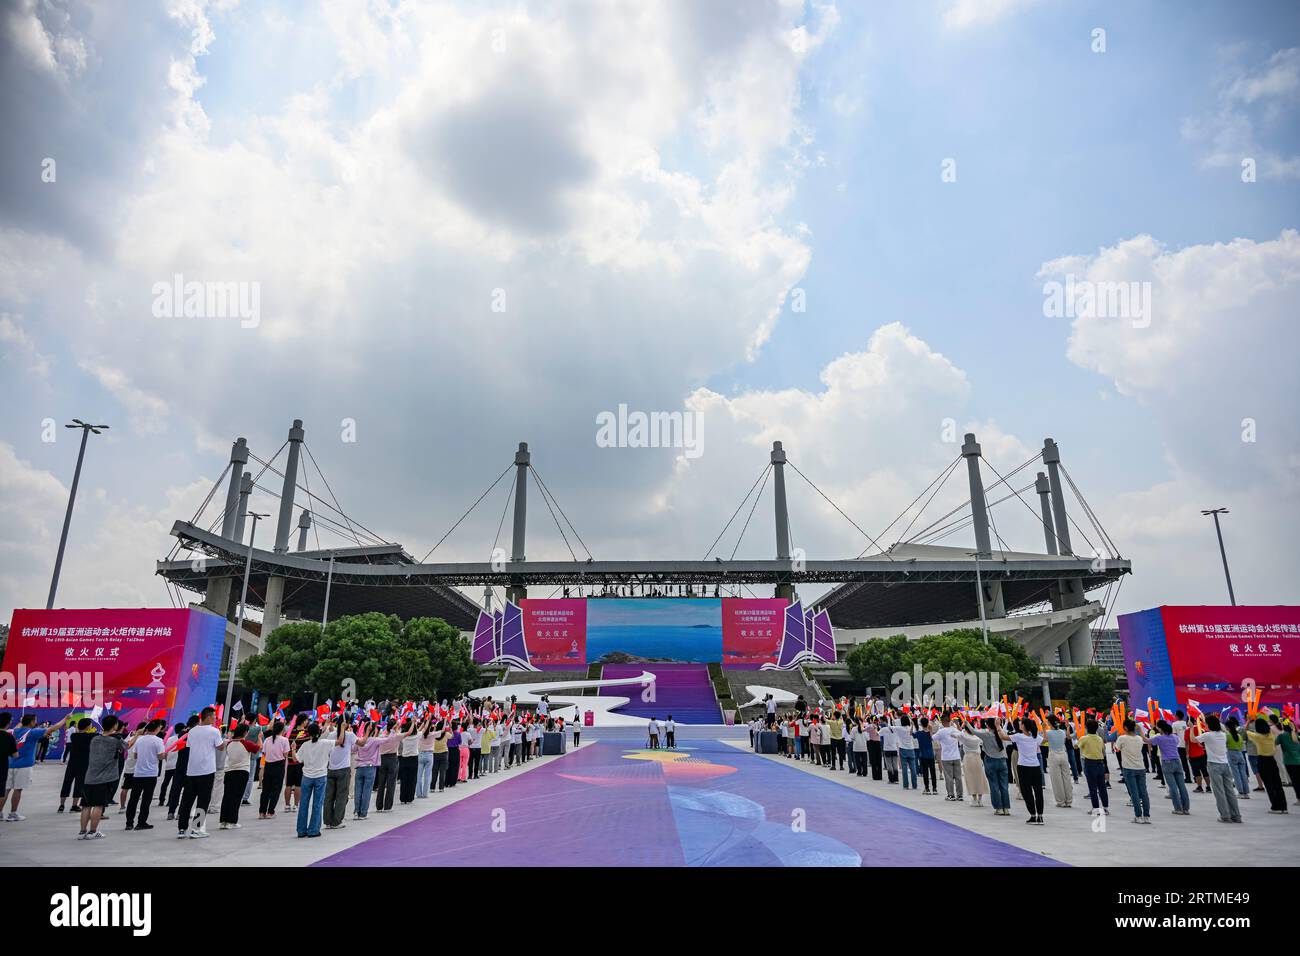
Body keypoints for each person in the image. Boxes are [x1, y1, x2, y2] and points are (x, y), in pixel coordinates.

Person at [79, 716, 134, 840]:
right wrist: (136, 736)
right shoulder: (115, 740)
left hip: (89, 777)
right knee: (98, 805)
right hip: (104, 779)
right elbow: (127, 746)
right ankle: (93, 832)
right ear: (115, 725)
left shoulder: (94, 739)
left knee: (86, 806)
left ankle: (82, 832)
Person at [6, 714, 70, 820]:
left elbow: (18, 726)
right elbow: (53, 728)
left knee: (6, 790)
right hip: (24, 765)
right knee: (18, 789)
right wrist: (65, 719)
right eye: (34, 721)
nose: (35, 722)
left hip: (10, 764)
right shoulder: (33, 732)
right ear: (31, 722)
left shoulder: (13, 731)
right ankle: (13, 814)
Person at [176, 707, 223, 839]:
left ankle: (181, 829)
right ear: (208, 717)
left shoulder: (192, 731)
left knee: (187, 800)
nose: (215, 719)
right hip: (207, 770)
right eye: (214, 717)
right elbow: (220, 746)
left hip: (192, 770)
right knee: (203, 801)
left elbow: (190, 746)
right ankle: (196, 829)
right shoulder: (214, 731)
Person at [1194, 714, 1241, 824]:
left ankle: (1225, 816)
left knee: (1219, 792)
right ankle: (1236, 816)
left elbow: (1193, 739)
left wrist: (1192, 727)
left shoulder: (1208, 735)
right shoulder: (1223, 735)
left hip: (1214, 766)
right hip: (1225, 765)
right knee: (1230, 791)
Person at [291, 721, 334, 838]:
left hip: (307, 777)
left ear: (308, 733)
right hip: (320, 776)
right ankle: (313, 830)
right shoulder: (326, 743)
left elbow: (296, 759)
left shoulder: (305, 745)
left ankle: (301, 830)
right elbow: (340, 741)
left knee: (303, 804)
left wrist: (293, 749)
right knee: (317, 804)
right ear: (319, 733)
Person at [125, 720, 166, 830]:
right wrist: (164, 754)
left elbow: (135, 755)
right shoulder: (158, 741)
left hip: (138, 773)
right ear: (157, 729)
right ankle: (141, 822)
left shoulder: (140, 740)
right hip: (151, 773)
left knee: (133, 799)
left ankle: (129, 823)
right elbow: (161, 756)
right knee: (146, 799)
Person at [218, 722, 259, 829]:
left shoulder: (229, 743)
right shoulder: (246, 743)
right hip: (241, 772)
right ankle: (232, 821)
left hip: (229, 772)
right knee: (236, 797)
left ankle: (223, 821)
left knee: (227, 796)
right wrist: (259, 737)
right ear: (245, 732)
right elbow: (258, 749)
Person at [1114, 718, 1152, 824]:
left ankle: (1138, 816)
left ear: (1125, 727)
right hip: (1140, 767)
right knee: (1144, 792)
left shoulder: (1122, 738)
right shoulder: (1139, 738)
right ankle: (1146, 816)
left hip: (1128, 768)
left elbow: (1117, 749)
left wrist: (1117, 737)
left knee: (1134, 793)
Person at [1247, 717, 1288, 813]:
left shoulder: (1257, 737)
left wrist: (1248, 721)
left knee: (1269, 785)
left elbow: (1246, 731)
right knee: (1277, 785)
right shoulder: (1271, 735)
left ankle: (1275, 807)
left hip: (1262, 761)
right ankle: (1283, 807)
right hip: (1272, 760)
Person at [1009, 718, 1045, 824]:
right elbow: (1045, 740)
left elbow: (1002, 737)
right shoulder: (1035, 736)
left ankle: (1033, 815)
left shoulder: (1019, 737)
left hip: (1023, 767)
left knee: (1027, 792)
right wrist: (1044, 729)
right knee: (1038, 792)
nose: (1020, 724)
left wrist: (998, 727)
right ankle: (1040, 816)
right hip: (1036, 766)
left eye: (1021, 723)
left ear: (1024, 726)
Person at [1150, 721, 1190, 815]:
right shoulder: (1175, 737)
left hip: (1167, 762)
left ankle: (1178, 808)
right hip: (1177, 761)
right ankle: (1186, 808)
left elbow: (1147, 741)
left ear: (1160, 729)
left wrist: (1141, 733)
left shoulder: (1159, 738)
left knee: (1173, 787)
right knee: (1182, 786)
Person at [58, 717, 95, 813]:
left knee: (67, 782)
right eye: (90, 724)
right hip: (83, 763)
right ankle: (74, 806)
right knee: (79, 784)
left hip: (72, 762)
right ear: (87, 726)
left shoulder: (74, 736)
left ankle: (61, 805)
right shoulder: (90, 736)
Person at [1077, 718, 1109, 815]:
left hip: (1089, 763)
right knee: (1102, 786)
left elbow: (1076, 746)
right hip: (1100, 763)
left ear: (1086, 728)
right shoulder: (1099, 739)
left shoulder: (1084, 738)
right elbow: (1103, 752)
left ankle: (1095, 808)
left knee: (1092, 787)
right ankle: (1105, 808)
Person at [258, 720, 289, 819]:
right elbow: (285, 754)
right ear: (282, 730)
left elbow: (264, 753)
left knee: (265, 790)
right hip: (278, 765)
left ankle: (262, 812)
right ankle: (270, 811)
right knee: (276, 789)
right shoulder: (284, 740)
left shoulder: (267, 739)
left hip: (268, 765)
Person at [932, 714, 963, 801]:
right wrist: (957, 725)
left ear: (942, 722)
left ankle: (951, 795)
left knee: (949, 777)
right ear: (950, 721)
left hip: (946, 757)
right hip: (956, 756)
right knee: (958, 777)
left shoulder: (941, 731)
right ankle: (960, 795)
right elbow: (962, 734)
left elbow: (933, 738)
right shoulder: (954, 730)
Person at [1044, 715, 1073, 808]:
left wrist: (1043, 729)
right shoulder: (1062, 732)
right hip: (1063, 754)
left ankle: (1061, 801)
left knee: (1056, 779)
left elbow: (1044, 740)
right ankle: (1069, 800)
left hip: (1053, 755)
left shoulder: (1048, 732)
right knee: (1066, 778)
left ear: (1050, 722)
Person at [956, 719, 987, 807]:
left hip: (968, 757)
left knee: (970, 778)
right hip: (977, 757)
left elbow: (953, 734)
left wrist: (961, 727)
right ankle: (980, 799)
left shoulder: (964, 736)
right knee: (979, 777)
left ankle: (974, 798)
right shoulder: (977, 737)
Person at [1224, 717, 1251, 799]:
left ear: (1227, 727)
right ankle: (1246, 792)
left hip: (1232, 754)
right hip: (1240, 754)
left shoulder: (1227, 735)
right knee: (1243, 774)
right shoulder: (1239, 735)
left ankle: (1240, 792)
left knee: (1236, 774)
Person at [893, 715, 918, 790]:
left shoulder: (899, 728)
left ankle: (906, 785)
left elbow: (892, 726)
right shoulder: (911, 728)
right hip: (911, 748)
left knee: (904, 768)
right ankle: (914, 785)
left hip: (903, 749)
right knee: (913, 768)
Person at [914, 718, 936, 794]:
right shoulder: (930, 733)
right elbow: (932, 739)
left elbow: (911, 734)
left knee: (925, 772)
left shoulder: (919, 733)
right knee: (933, 772)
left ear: (921, 724)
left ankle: (927, 788)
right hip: (931, 755)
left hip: (923, 755)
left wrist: (912, 725)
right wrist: (931, 729)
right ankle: (934, 788)